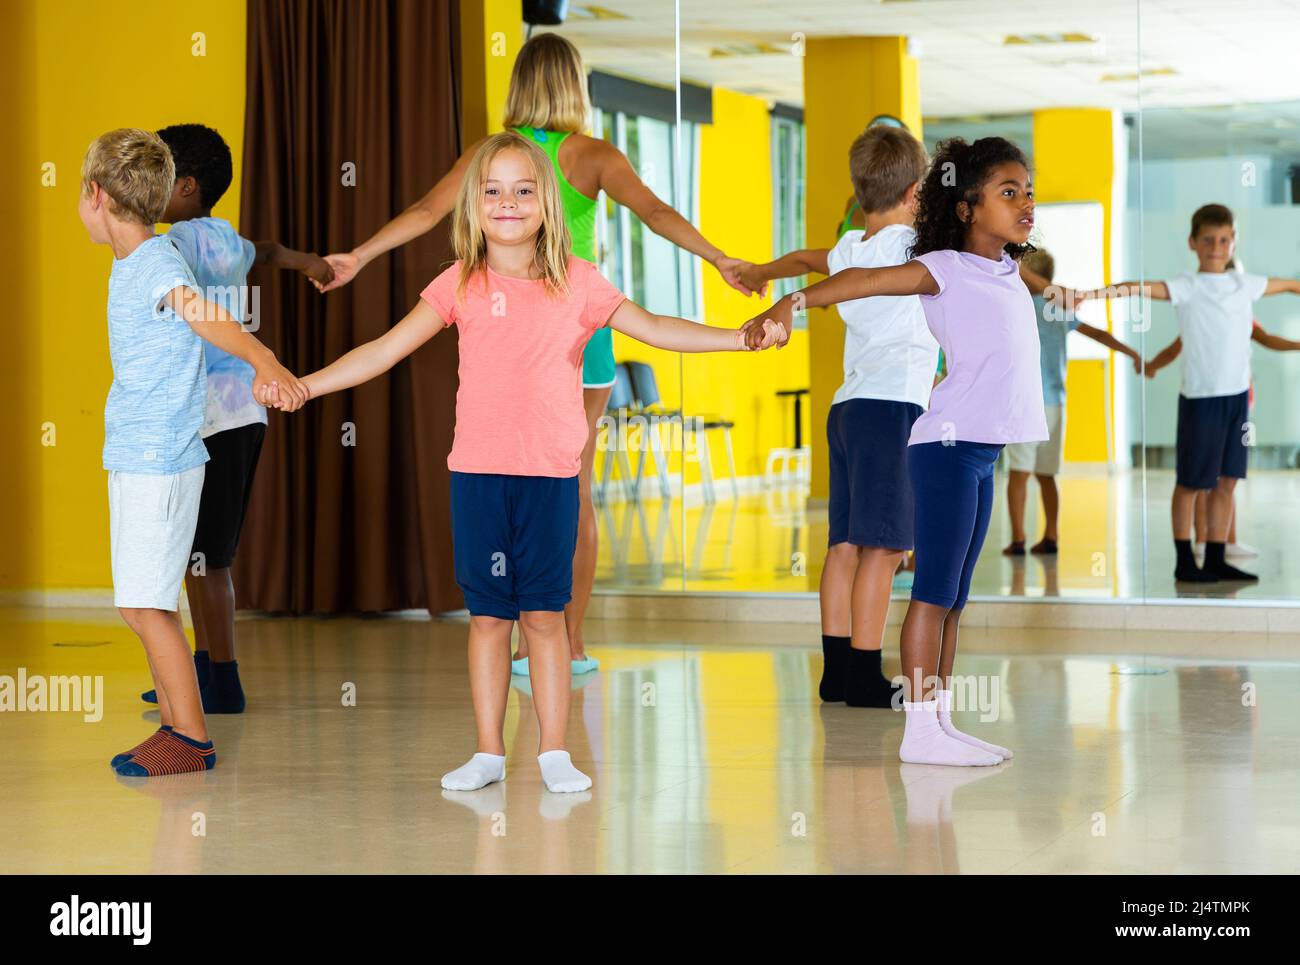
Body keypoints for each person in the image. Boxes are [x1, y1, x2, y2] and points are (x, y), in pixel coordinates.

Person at [287, 133, 784, 792]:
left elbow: (659, 328)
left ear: (547, 203)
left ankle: (554, 750)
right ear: (474, 205)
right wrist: (306, 384)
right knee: (489, 618)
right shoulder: (459, 281)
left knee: (545, 618)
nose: (507, 202)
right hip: (477, 477)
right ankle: (489, 750)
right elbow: (383, 349)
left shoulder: (579, 283)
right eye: (492, 190)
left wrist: (740, 340)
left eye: (524, 189)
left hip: (550, 477)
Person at [317, 34, 758, 675]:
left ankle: (527, 638)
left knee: (514, 475)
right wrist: (718, 259)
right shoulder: (593, 154)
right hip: (584, 329)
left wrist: (359, 254)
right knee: (570, 487)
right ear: (575, 85)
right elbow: (657, 213)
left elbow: (423, 211)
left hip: (556, 320)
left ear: (519, 82)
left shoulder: (490, 157)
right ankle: (563, 640)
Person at [745, 136, 1051, 766]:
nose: (1025, 204)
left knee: (955, 600)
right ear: (966, 208)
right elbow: (861, 279)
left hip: (980, 452)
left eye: (1028, 193)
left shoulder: (1002, 269)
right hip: (944, 449)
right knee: (933, 593)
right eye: (1008, 192)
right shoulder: (942, 265)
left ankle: (938, 719)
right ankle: (919, 732)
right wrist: (789, 299)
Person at [78, 128, 304, 776]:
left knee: (149, 605)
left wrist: (263, 357)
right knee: (138, 602)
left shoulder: (157, 260)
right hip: (138, 454)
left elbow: (204, 312)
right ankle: (179, 723)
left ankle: (190, 735)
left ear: (96, 196)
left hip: (162, 459)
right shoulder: (138, 261)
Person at [136, 123, 334, 714]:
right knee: (204, 553)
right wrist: (311, 263)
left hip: (211, 416)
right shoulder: (224, 238)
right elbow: (267, 251)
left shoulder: (175, 247)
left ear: (187, 186)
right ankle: (202, 668)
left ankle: (222, 678)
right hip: (246, 410)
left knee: (204, 558)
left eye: (159, 177)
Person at [738, 124, 935, 707]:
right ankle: (866, 675)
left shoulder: (851, 245)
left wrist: (763, 273)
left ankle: (836, 671)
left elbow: (808, 257)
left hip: (847, 409)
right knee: (886, 548)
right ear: (915, 192)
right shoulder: (918, 247)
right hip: (893, 406)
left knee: (845, 544)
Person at [1086, 203, 1300, 582]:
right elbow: (1134, 288)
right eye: (1208, 240)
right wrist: (1085, 295)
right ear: (1193, 243)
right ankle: (1185, 561)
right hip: (1201, 400)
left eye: (1223, 239)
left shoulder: (1243, 285)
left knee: (1227, 481)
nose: (1216, 247)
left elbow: (1290, 284)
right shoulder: (1187, 285)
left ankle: (1216, 558)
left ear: (1233, 243)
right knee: (1191, 483)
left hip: (1236, 399)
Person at [1002, 247, 1141, 556]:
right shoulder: (1059, 309)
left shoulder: (1016, 307)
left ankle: (1018, 539)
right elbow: (1099, 334)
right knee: (1047, 475)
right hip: (1054, 403)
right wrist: (1132, 353)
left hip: (1024, 402)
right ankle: (1051, 535)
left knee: (1019, 474)